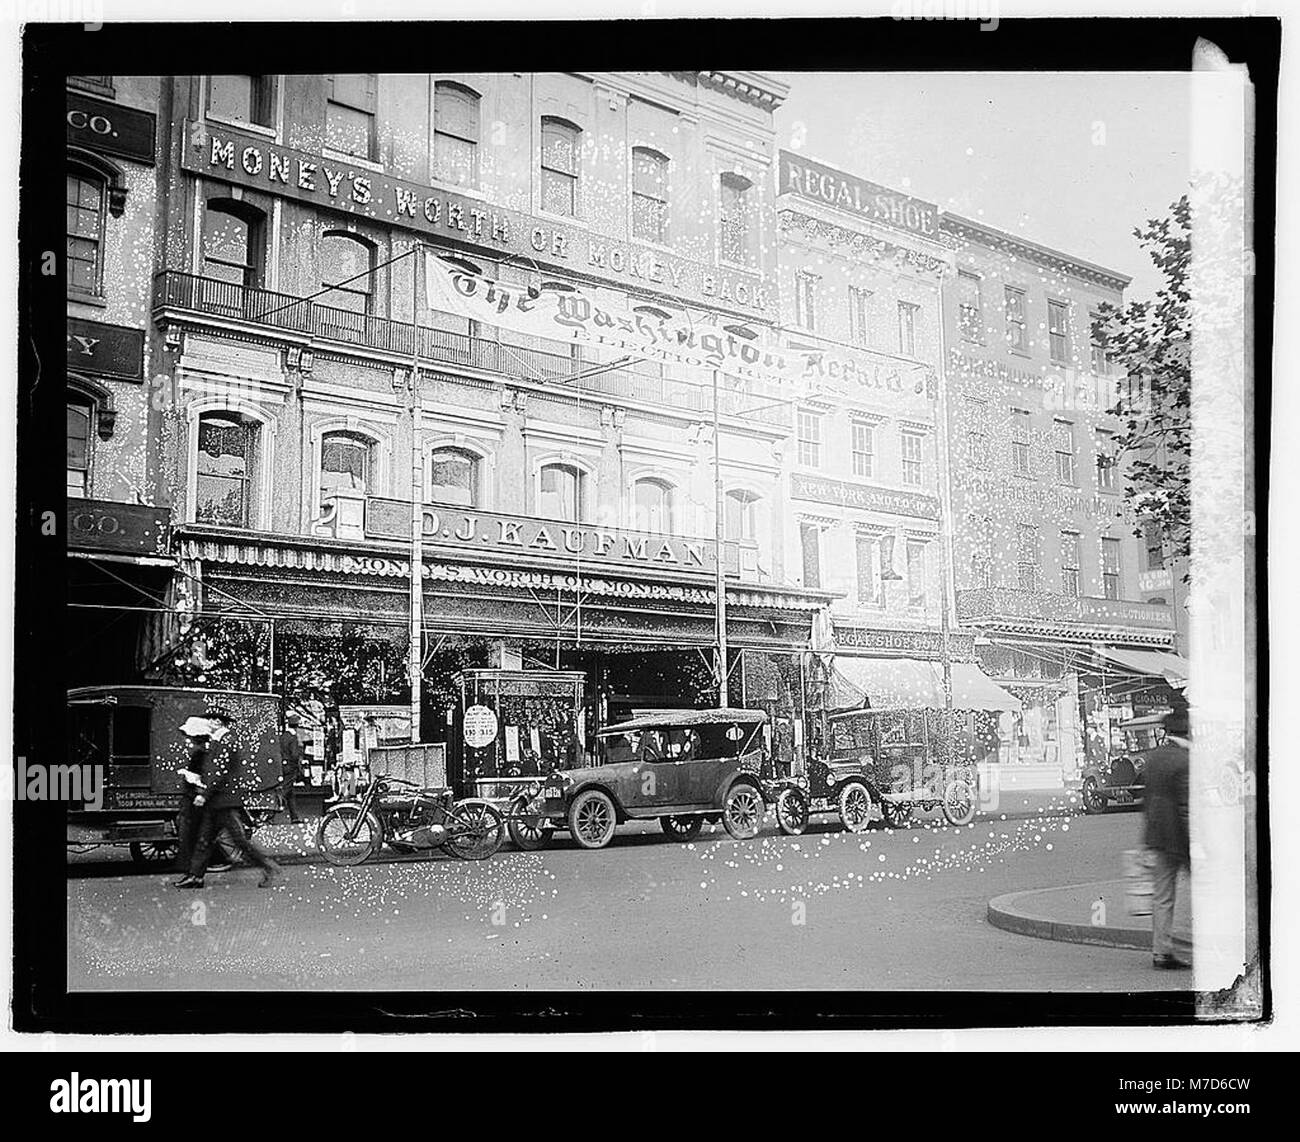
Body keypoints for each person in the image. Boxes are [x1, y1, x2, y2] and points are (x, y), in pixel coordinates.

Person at [177, 708, 283, 889]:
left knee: (238, 840)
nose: (207, 724)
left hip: (225, 801)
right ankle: (195, 876)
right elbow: (212, 771)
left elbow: (219, 773)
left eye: (209, 720)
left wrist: (204, 794)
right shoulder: (218, 741)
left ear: (218, 722)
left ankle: (268, 866)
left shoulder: (227, 741)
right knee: (205, 838)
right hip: (218, 800)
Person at [1143, 701, 1192, 970]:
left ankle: (1161, 951)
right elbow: (1186, 808)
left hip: (1156, 836)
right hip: (1178, 839)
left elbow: (1147, 800)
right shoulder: (1185, 760)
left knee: (1162, 896)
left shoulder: (1154, 757)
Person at [174, 717, 211, 878]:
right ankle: (193, 872)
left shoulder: (200, 753)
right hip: (196, 797)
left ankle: (192, 872)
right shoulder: (207, 751)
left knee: (190, 834)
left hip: (194, 798)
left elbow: (199, 777)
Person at [278, 711, 305, 824]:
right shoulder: (293, 737)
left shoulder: (283, 736)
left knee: (290, 793)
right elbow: (294, 754)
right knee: (285, 790)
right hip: (291, 767)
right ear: (297, 725)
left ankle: (294, 816)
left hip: (283, 766)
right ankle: (270, 812)